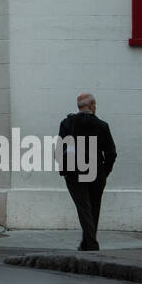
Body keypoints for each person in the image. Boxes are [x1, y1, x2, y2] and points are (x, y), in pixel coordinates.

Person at [57, 92, 117, 250]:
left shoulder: (67, 123)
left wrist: (65, 169)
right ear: (92, 105)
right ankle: (88, 243)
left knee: (84, 207)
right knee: (94, 207)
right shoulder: (102, 125)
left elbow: (59, 150)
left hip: (74, 172)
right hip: (96, 171)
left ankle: (90, 244)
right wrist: (105, 172)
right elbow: (111, 153)